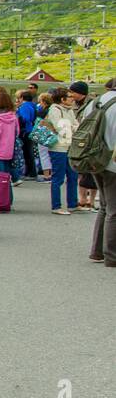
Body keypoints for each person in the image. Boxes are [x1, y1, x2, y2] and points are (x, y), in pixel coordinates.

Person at [81, 77, 116, 267]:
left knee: (104, 206)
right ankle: (112, 256)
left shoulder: (95, 102)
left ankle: (97, 251)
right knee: (114, 210)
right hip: (112, 162)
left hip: (93, 159)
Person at [44, 87, 80, 214]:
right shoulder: (55, 110)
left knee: (73, 176)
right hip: (58, 147)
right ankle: (56, 206)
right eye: (70, 96)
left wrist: (71, 127)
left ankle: (73, 203)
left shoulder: (69, 110)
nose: (72, 98)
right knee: (58, 178)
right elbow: (62, 128)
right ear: (62, 99)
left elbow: (76, 125)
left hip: (69, 146)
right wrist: (72, 127)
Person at [70, 81, 97, 212]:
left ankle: (91, 200)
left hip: (90, 140)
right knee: (80, 170)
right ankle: (82, 199)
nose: (71, 95)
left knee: (93, 171)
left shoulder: (94, 104)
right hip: (77, 140)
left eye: (73, 92)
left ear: (81, 93)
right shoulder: (72, 104)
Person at [0, 88, 20, 204]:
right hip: (9, 151)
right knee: (6, 177)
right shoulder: (14, 117)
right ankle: (8, 199)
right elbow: (17, 132)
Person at [17, 90, 39, 179]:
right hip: (31, 129)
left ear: (22, 98)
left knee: (27, 153)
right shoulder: (33, 105)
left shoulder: (24, 106)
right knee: (29, 152)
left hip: (25, 131)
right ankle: (31, 172)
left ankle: (31, 172)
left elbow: (25, 118)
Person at [35, 93, 55, 179]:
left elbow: (37, 123)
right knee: (53, 154)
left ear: (43, 101)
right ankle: (53, 173)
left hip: (43, 134)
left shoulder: (41, 112)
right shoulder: (53, 110)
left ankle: (46, 175)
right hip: (53, 133)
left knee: (44, 155)